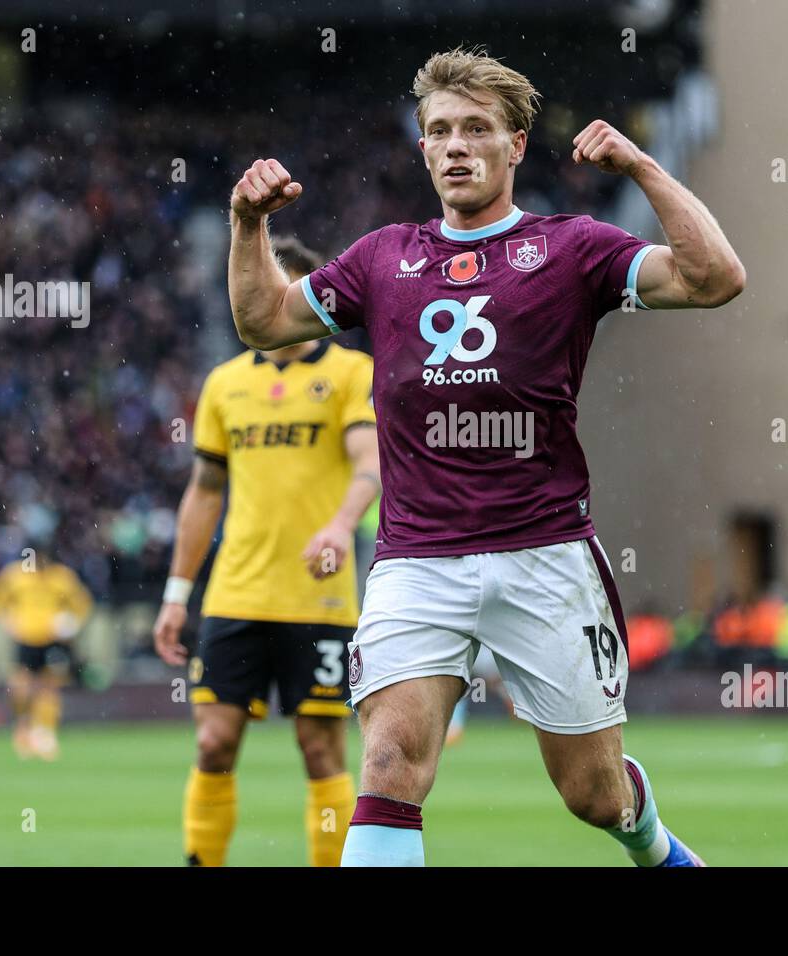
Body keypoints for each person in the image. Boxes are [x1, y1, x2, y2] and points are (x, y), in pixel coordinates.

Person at [226, 47, 744, 866]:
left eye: (476, 129)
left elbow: (715, 278)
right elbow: (264, 324)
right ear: (423, 150)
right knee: (390, 765)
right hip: (416, 559)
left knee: (592, 795)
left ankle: (653, 845)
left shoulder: (571, 247)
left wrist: (640, 165)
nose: (457, 145)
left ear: (516, 146)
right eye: (440, 131)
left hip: (545, 554)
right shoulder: (381, 258)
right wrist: (248, 224)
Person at [153, 237, 380, 866]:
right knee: (213, 745)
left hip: (321, 598)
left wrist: (339, 526)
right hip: (236, 594)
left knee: (321, 753)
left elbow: (371, 460)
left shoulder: (351, 374)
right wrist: (177, 595)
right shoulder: (224, 386)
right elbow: (202, 495)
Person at [0, 553, 93, 760]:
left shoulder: (61, 577)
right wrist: (6, 619)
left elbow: (82, 601)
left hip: (51, 639)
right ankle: (23, 727)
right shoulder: (16, 575)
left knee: (49, 685)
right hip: (26, 638)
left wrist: (72, 624)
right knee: (20, 685)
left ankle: (44, 733)